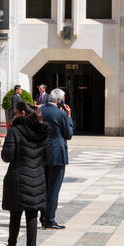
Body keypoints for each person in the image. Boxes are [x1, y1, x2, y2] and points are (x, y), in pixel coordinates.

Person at [0, 99, 48, 246]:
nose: (13, 115)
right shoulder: (43, 131)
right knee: (32, 214)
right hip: (37, 176)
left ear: (23, 114)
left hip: (18, 175)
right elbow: (48, 157)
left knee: (15, 215)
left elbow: (7, 156)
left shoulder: (15, 130)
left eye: (15, 112)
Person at [39, 88, 72, 229]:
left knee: (43, 187)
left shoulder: (39, 111)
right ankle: (50, 219)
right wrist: (69, 117)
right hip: (57, 154)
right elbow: (68, 134)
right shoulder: (61, 114)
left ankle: (42, 216)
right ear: (60, 100)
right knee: (53, 189)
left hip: (41, 153)